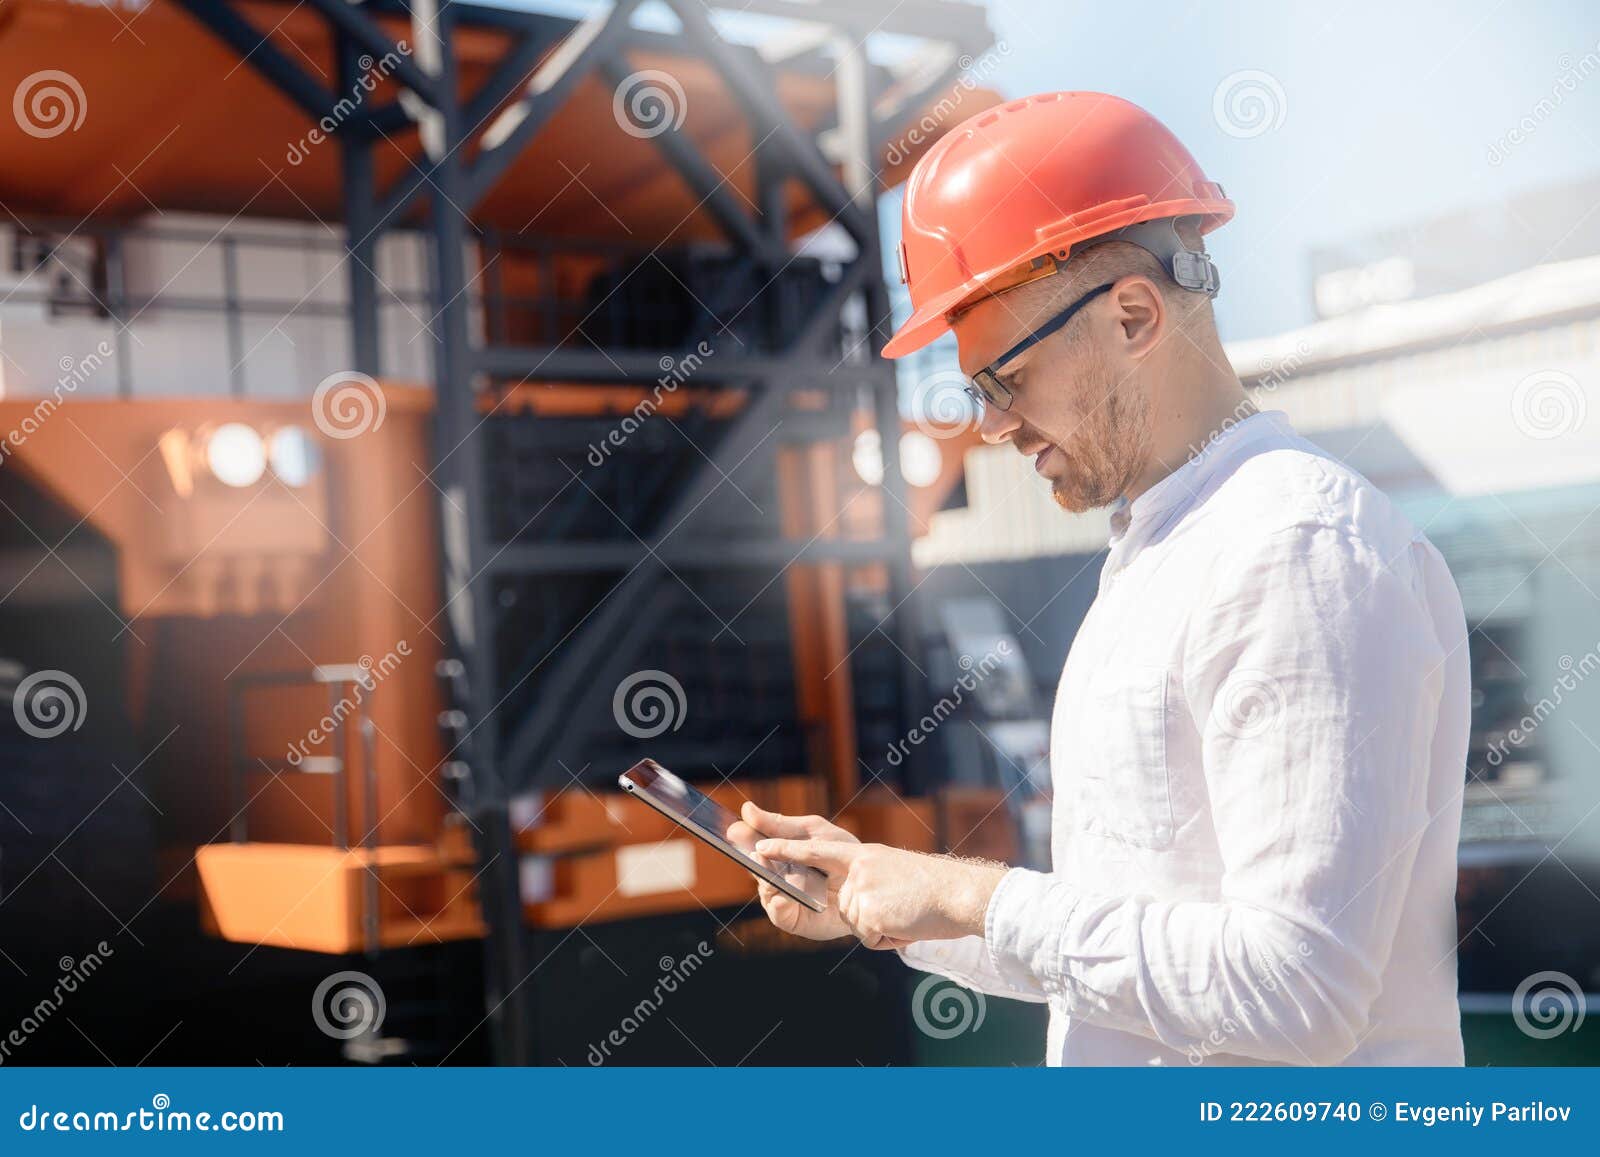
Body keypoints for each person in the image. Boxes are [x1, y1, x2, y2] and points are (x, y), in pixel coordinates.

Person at [732, 91, 1470, 1066]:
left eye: (1000, 380)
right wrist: (889, 897)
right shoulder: (1167, 553)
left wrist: (968, 892)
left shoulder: (1294, 551)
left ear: (1130, 316)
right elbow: (1120, 953)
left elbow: (1297, 990)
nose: (989, 426)